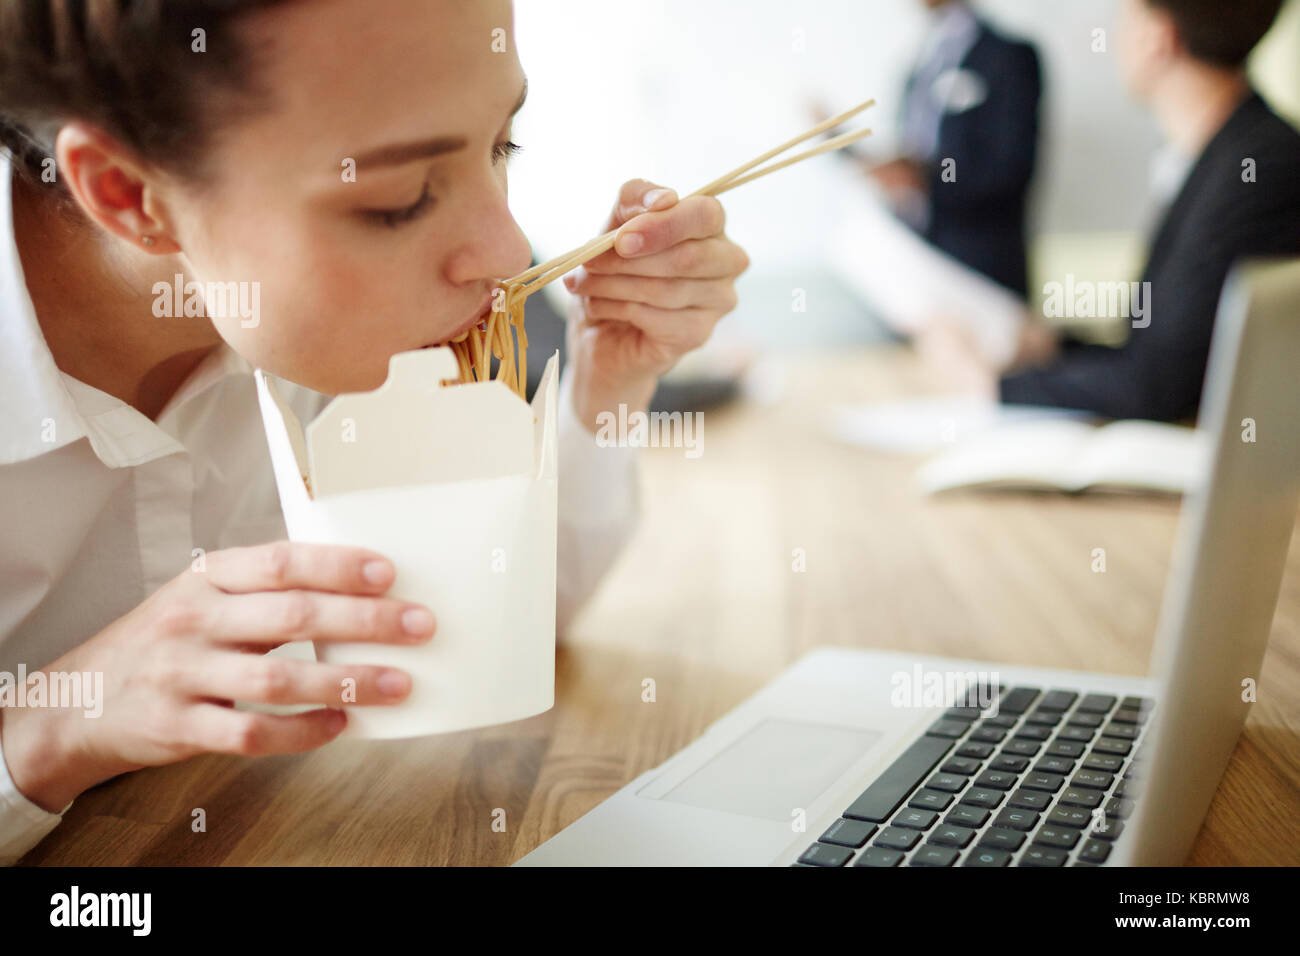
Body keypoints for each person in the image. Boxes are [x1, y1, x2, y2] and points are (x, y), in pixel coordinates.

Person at [0, 0, 749, 864]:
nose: (511, 252)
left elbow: (490, 629)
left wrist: (610, 382)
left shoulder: (319, 343)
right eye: (399, 199)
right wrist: (43, 730)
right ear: (130, 194)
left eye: (502, 144)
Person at [922, 0, 1300, 422]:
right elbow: (1159, 350)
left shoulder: (1258, 168)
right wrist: (1051, 346)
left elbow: (1156, 385)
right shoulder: (1222, 154)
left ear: (1156, 38)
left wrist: (988, 386)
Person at [822, 0, 1042, 298]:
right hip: (913, 267)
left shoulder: (1009, 56)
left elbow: (1011, 169)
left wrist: (925, 178)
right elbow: (909, 150)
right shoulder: (919, 64)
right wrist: (844, 144)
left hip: (980, 275)